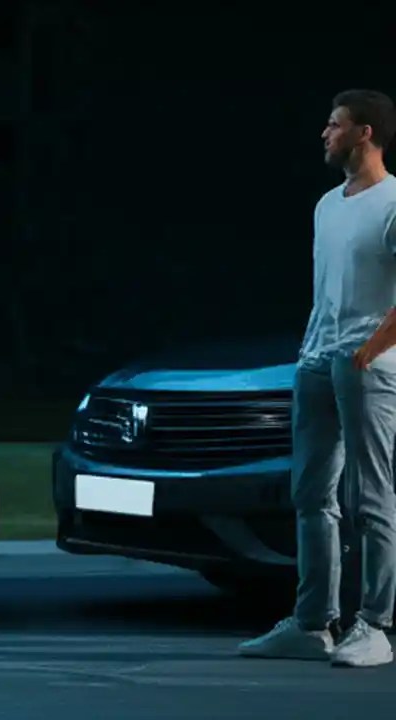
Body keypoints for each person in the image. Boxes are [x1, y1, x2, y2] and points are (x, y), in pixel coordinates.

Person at [239, 89, 396, 668]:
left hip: (367, 368)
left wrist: (369, 349)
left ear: (365, 134)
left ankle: (376, 625)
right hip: (314, 360)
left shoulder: (394, 202)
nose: (324, 134)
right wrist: (315, 349)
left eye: (334, 125)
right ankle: (312, 624)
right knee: (311, 495)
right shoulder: (327, 204)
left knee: (371, 497)